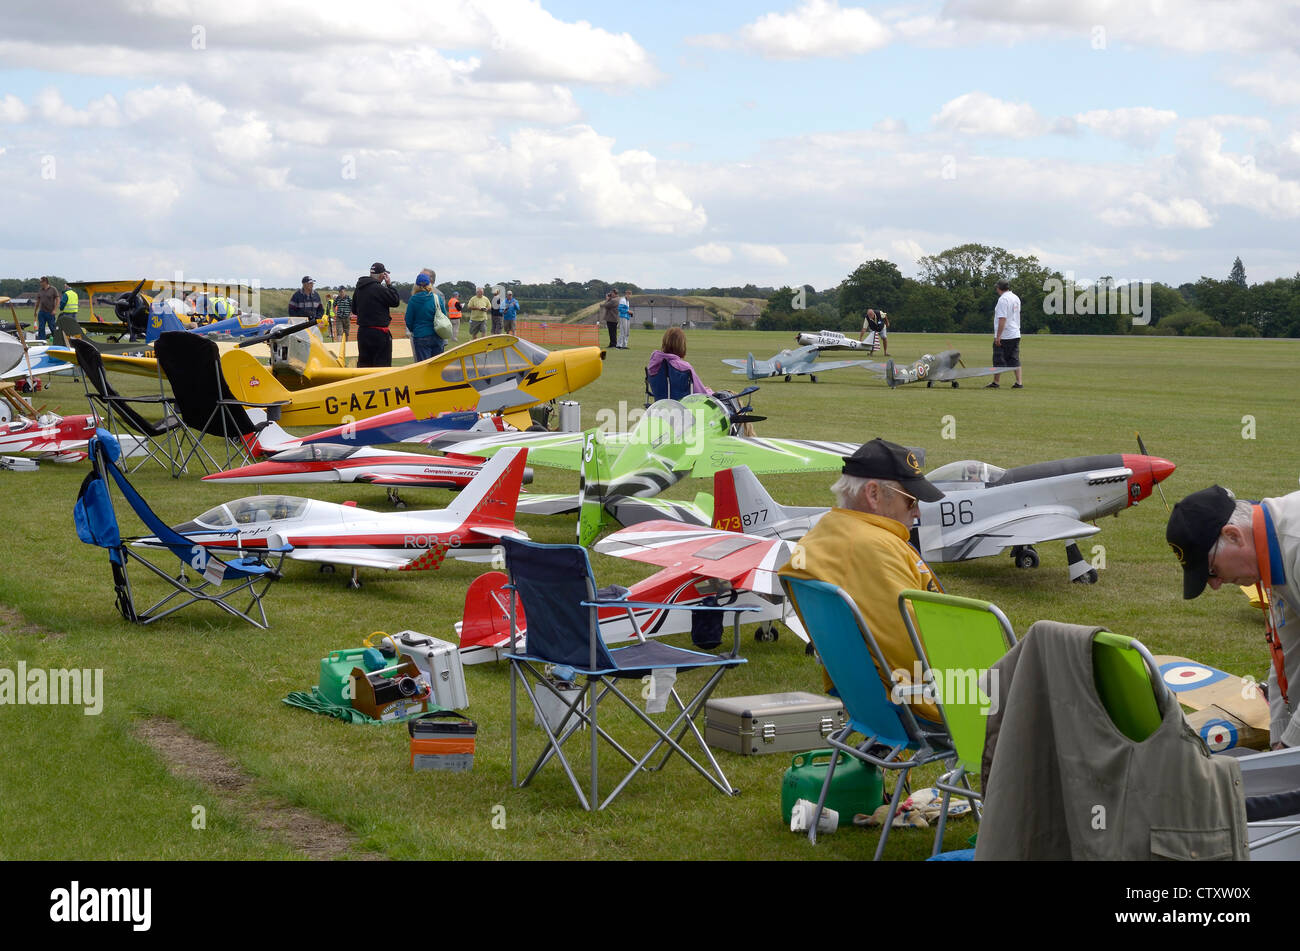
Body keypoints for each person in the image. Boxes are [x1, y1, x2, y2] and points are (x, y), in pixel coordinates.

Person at [778, 438, 947, 725]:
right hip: (931, 704)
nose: (917, 512)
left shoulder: (819, 538)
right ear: (874, 494)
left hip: (866, 704)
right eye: (912, 500)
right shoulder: (878, 548)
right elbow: (917, 651)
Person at [1167, 485, 1300, 749]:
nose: (1215, 585)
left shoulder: (1295, 544)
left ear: (1233, 535)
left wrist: (1292, 741)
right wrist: (1279, 742)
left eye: (1212, 571)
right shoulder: (1270, 550)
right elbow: (1288, 653)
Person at [352, 262, 401, 367]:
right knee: (382, 365)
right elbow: (395, 301)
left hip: (363, 332)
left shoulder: (359, 288)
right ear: (381, 275)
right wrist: (389, 285)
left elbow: (354, 310)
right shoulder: (380, 289)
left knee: (364, 365)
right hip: (379, 333)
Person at [646, 326, 711, 396]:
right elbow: (700, 393)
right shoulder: (684, 367)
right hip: (681, 405)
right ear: (682, 345)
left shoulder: (654, 364)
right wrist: (709, 391)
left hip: (661, 404)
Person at [986, 280, 1022, 389]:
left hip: (1005, 334)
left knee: (998, 358)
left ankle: (996, 382)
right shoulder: (1015, 297)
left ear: (999, 288)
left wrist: (998, 337)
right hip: (1015, 333)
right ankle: (1019, 382)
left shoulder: (1003, 299)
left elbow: (1002, 318)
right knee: (1014, 358)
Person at [405, 273, 445, 362]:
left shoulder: (413, 299)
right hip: (437, 335)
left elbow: (408, 320)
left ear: (416, 286)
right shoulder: (437, 298)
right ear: (429, 284)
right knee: (437, 366)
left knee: (424, 366)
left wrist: (414, 330)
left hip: (420, 335)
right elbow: (444, 315)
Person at [34, 277, 59, 341]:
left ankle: (57, 340)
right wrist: (35, 311)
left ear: (45, 282)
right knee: (41, 328)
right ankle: (42, 341)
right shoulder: (40, 290)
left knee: (52, 327)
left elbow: (58, 299)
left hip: (50, 312)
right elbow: (38, 301)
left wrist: (55, 310)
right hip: (42, 312)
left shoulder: (53, 289)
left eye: (41, 282)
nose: (40, 283)